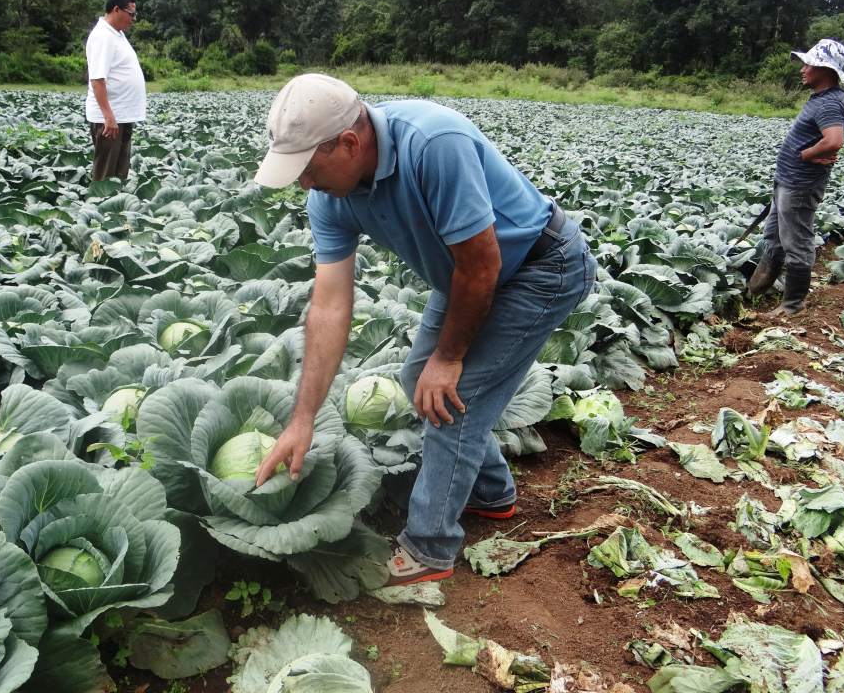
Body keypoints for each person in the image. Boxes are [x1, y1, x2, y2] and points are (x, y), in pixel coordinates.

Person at [251, 74, 596, 586]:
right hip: (462, 274)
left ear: (349, 143)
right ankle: (493, 493)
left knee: (456, 398)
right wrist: (301, 420)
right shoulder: (329, 196)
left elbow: (483, 266)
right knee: (419, 382)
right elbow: (329, 306)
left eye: (308, 170)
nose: (304, 184)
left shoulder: (434, 144)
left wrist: (450, 357)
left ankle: (430, 547)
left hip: (539, 266)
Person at [748, 38, 844, 315]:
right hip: (789, 181)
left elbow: (834, 140)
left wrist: (805, 155)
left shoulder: (829, 103)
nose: (802, 69)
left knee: (797, 242)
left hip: (801, 185)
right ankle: (755, 292)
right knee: (773, 237)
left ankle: (793, 304)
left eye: (808, 64)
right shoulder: (820, 99)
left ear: (825, 70)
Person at [85, 0, 145, 182]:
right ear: (116, 10)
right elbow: (97, 80)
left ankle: (114, 211)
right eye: (131, 13)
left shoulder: (116, 34)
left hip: (122, 116)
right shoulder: (103, 36)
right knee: (105, 176)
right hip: (110, 119)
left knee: (119, 174)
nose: (134, 19)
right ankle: (98, 209)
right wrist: (108, 117)